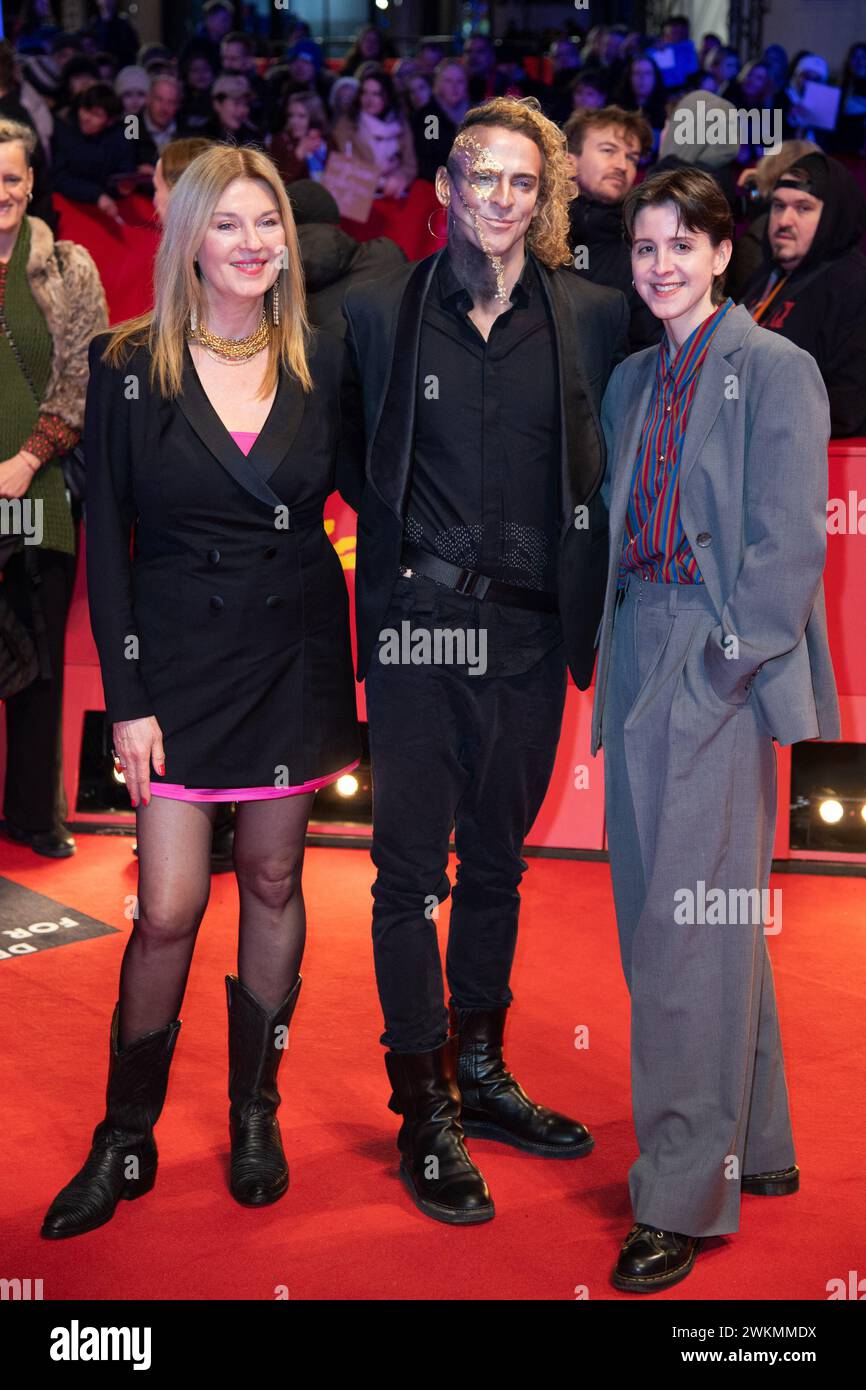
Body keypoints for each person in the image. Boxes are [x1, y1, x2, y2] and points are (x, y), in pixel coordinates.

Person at [40, 143, 360, 1239]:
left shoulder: (322, 355)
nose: (253, 243)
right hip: (173, 674)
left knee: (273, 882)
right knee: (169, 905)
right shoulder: (128, 365)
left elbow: (381, 487)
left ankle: (253, 1107)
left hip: (291, 659)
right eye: (227, 224)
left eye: (266, 222)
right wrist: (127, 698)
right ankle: (123, 1132)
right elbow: (111, 552)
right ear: (189, 239)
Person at [338, 96, 627, 1225]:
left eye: (521, 182)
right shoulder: (376, 311)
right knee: (409, 876)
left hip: (530, 629)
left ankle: (484, 1068)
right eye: (480, 178)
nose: (499, 199)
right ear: (448, 188)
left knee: (499, 863)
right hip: (418, 620)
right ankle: (424, 1106)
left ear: (543, 194)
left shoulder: (593, 315)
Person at [591, 166, 839, 1292]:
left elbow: (787, 548)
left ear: (721, 253)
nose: (659, 266)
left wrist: (722, 668)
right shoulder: (632, 378)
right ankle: (762, 1141)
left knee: (683, 933)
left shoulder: (775, 369)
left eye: (680, 246)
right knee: (677, 917)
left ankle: (680, 1194)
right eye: (643, 247)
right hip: (639, 642)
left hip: (714, 659)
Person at [0, 118, 107, 858]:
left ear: (32, 182)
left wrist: (27, 459)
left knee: (36, 661)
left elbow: (83, 376)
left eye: (10, 177)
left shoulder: (70, 267)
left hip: (38, 495)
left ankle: (35, 815)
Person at [740, 151, 866, 438]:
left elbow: (846, 407)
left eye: (803, 208)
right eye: (778, 205)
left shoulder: (852, 287)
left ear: (832, 215)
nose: (784, 220)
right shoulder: (768, 276)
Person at [564, 106, 661, 354]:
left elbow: (649, 351)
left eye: (632, 157)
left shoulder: (642, 252)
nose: (622, 165)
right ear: (569, 161)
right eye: (608, 151)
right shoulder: (529, 233)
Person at [50, 81, 137, 220]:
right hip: (69, 206)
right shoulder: (64, 129)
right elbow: (59, 177)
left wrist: (122, 187)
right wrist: (96, 195)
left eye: (96, 114)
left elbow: (124, 171)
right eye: (84, 109)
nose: (86, 118)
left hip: (107, 209)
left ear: (110, 121)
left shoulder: (122, 135)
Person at [332, 66, 417, 200]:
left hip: (394, 196)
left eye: (376, 94)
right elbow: (344, 167)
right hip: (358, 200)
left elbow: (410, 164)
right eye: (365, 93)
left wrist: (401, 178)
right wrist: (378, 174)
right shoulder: (347, 125)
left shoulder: (400, 124)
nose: (369, 100)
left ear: (387, 97)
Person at [411, 59, 470, 183]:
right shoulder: (430, 117)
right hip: (438, 184)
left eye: (460, 81)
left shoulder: (476, 114)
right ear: (438, 84)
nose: (455, 87)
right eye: (448, 81)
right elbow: (428, 157)